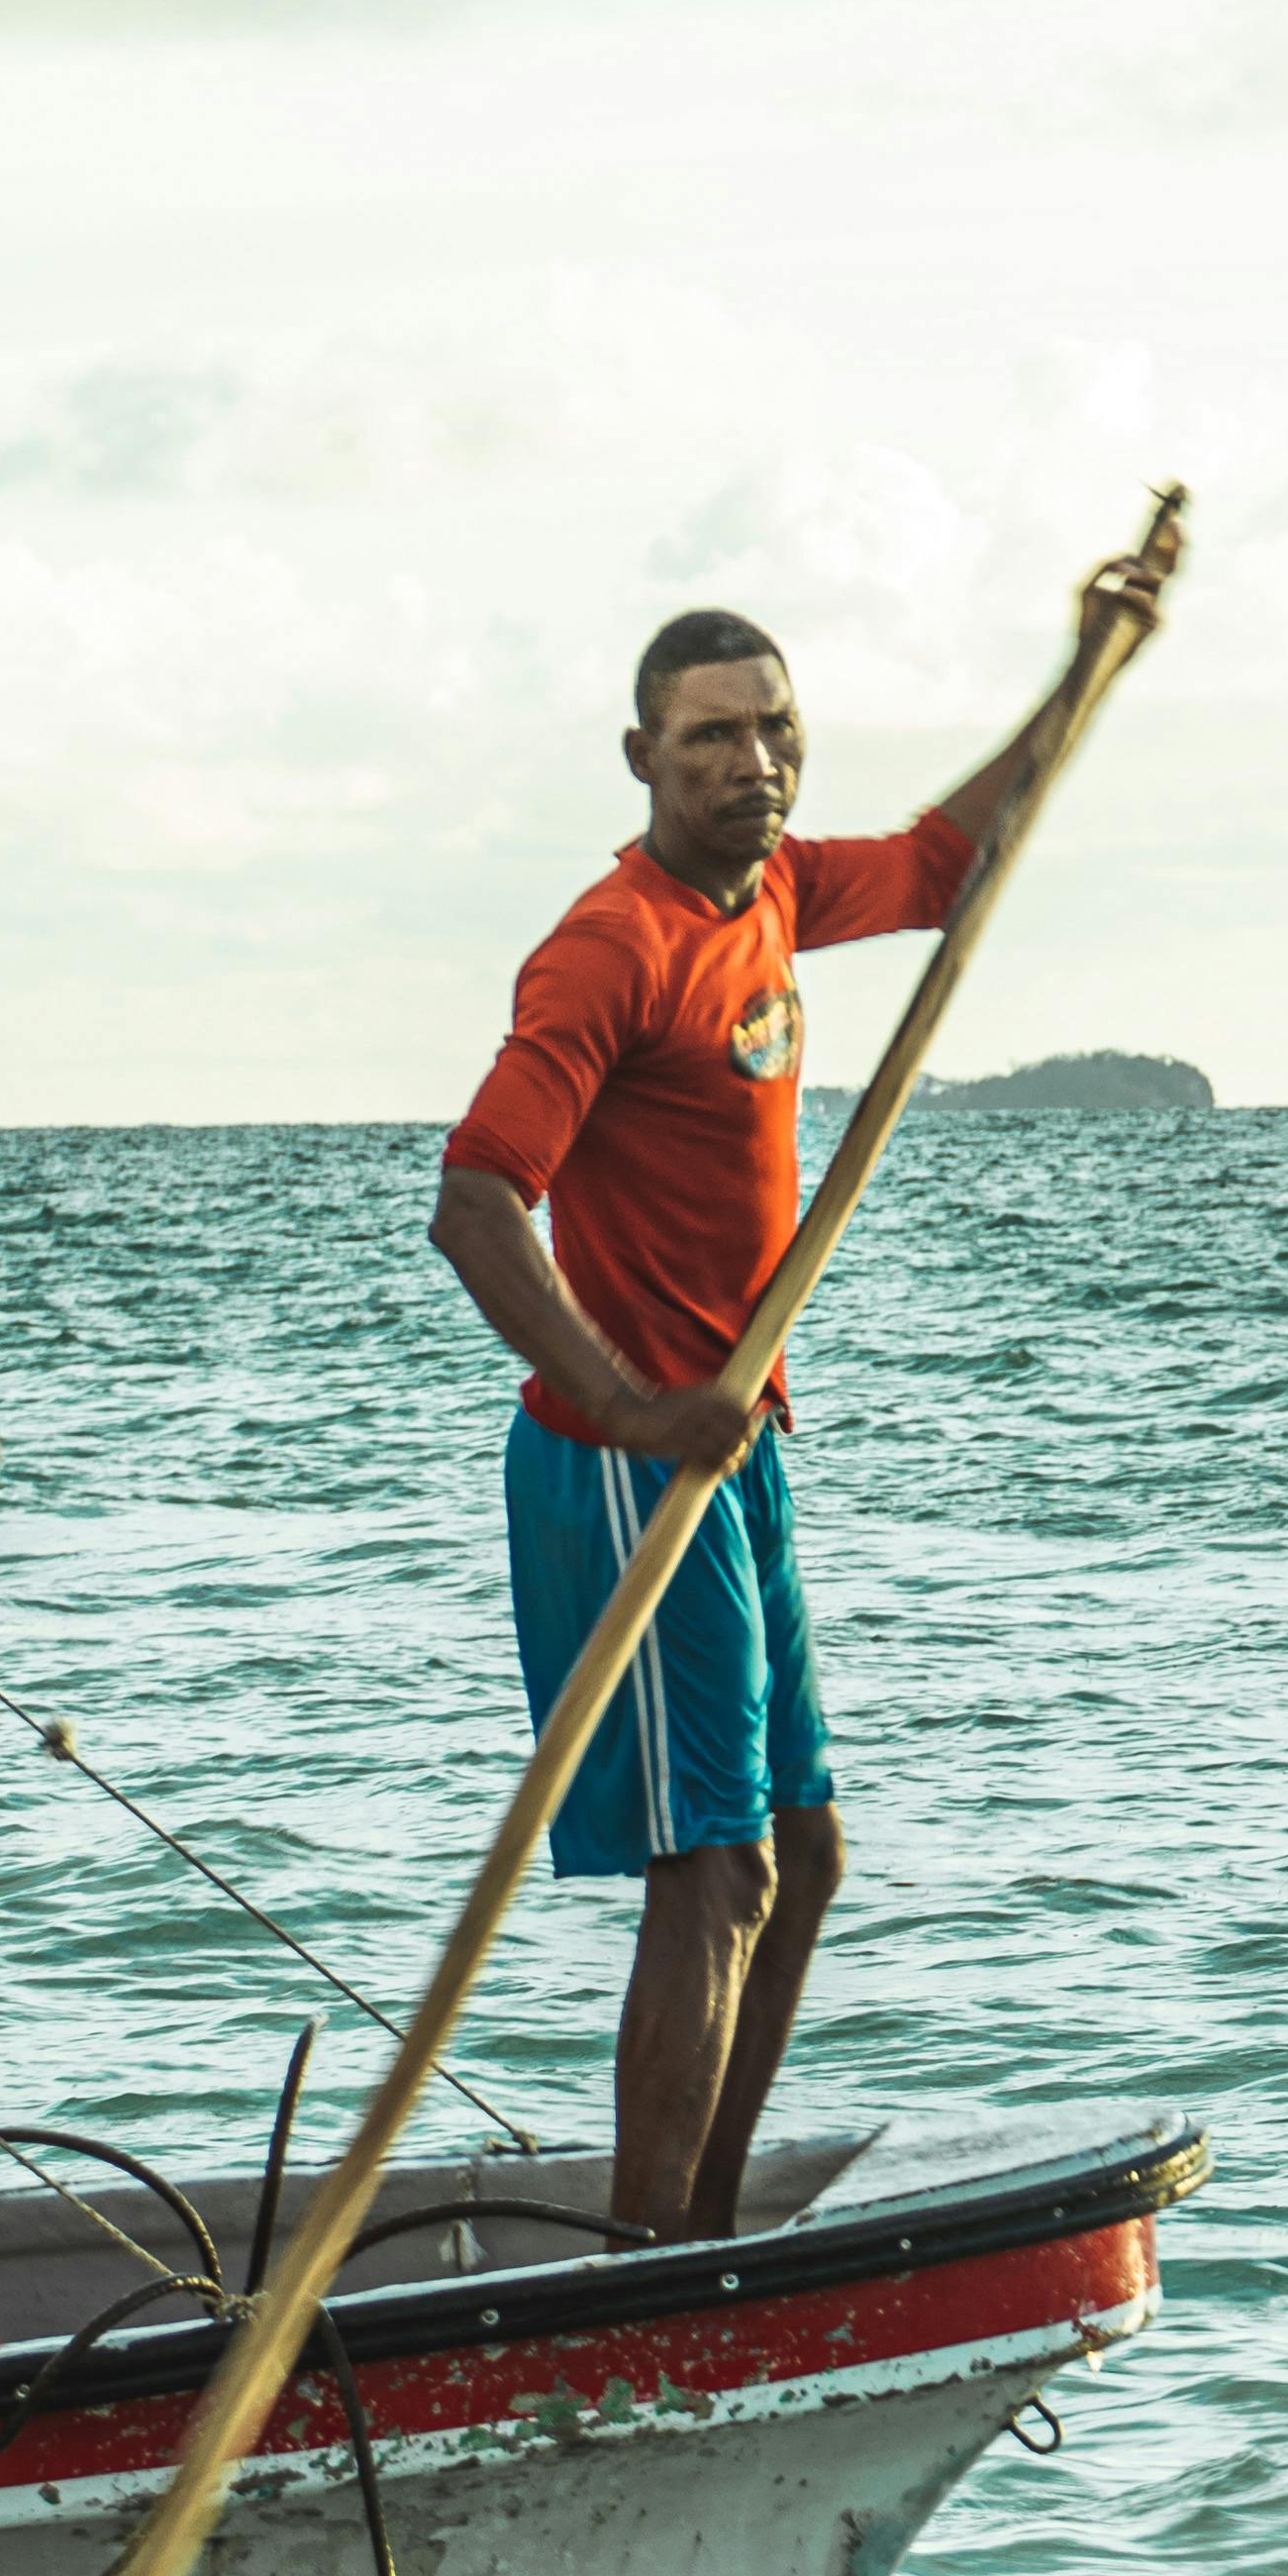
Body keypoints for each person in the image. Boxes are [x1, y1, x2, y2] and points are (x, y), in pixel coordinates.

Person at [428, 534, 1185, 2240]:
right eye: (710, 738)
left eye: (774, 730)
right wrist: (628, 1404)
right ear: (643, 759)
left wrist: (1089, 662)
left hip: (733, 1444)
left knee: (803, 1859)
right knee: (716, 1871)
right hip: (627, 1467)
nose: (751, 764)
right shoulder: (608, 949)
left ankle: (703, 2224)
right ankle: (651, 2261)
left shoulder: (766, 895)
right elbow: (476, 1205)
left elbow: (942, 857)